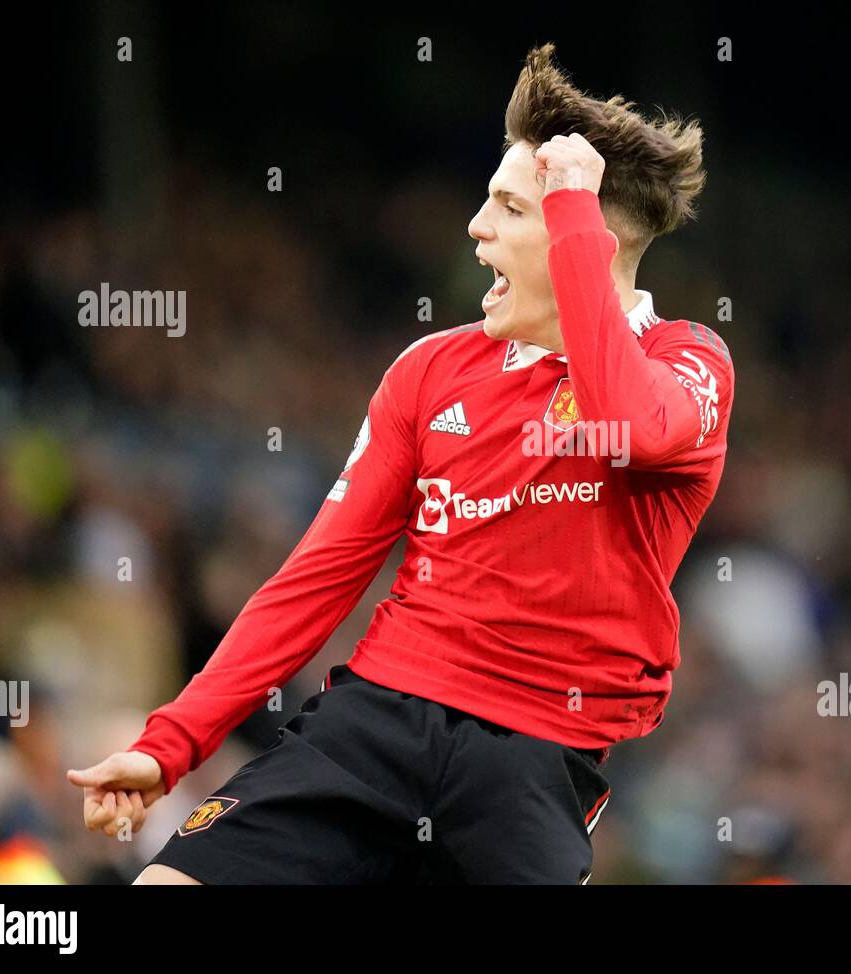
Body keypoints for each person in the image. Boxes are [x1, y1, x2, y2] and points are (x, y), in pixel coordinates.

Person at [67, 42, 734, 885]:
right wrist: (172, 742)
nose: (476, 227)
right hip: (372, 726)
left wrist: (574, 218)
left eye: (509, 208)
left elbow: (626, 423)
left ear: (585, 235)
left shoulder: (691, 364)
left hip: (529, 764)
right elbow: (318, 576)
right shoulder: (431, 371)